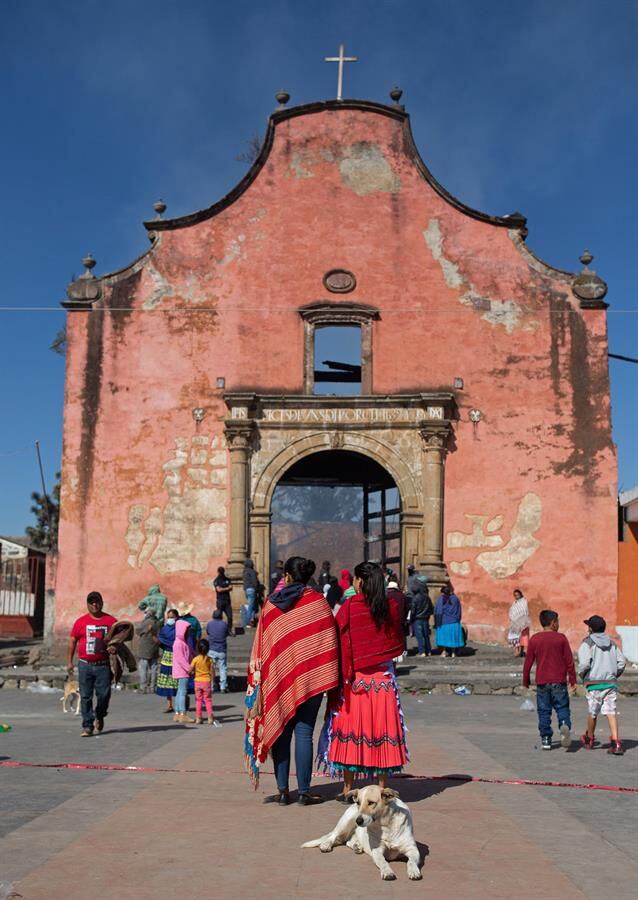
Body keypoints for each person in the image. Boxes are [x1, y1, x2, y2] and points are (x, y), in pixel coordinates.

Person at [244, 556, 339, 805]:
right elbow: (330, 640)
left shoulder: (271, 606)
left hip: (279, 678)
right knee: (304, 732)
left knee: (282, 733)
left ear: (285, 576)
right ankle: (305, 792)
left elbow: (263, 646)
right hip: (312, 677)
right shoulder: (319, 603)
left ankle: (284, 791)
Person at [324, 561, 408, 798]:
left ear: (360, 581)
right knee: (381, 731)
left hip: (356, 682)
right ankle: (381, 788)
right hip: (383, 681)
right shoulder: (390, 606)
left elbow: (338, 637)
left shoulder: (350, 607)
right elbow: (395, 641)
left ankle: (348, 788)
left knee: (352, 731)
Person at [522, 610, 576, 751]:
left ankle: (546, 739)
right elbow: (569, 662)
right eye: (557, 622)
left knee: (544, 711)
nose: (558, 624)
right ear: (553, 623)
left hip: (542, 682)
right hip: (559, 681)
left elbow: (528, 663)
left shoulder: (535, 639)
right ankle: (564, 725)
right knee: (562, 708)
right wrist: (573, 681)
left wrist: (526, 681)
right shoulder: (561, 638)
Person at [67, 592, 118, 737]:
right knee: (85, 696)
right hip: (85, 665)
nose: (94, 605)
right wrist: (69, 662)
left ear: (101, 603)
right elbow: (72, 641)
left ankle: (100, 715)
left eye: (97, 602)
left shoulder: (111, 621)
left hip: (103, 665)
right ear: (87, 604)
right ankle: (87, 725)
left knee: (104, 695)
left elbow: (120, 638)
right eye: (91, 602)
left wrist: (115, 647)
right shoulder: (80, 622)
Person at [577, 615, 626, 755]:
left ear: (590, 629)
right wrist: (613, 675)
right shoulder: (612, 643)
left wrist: (582, 675)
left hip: (593, 683)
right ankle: (616, 742)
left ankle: (590, 738)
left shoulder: (587, 643)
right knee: (611, 711)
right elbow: (621, 662)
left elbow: (584, 664)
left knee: (593, 712)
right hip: (610, 683)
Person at [189, 638, 218, 726]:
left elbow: (190, 670)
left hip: (197, 681)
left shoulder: (195, 659)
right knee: (208, 700)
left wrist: (191, 672)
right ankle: (210, 718)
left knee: (198, 700)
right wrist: (214, 681)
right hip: (207, 682)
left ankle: (198, 718)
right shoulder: (209, 659)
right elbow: (212, 672)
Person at [156, 608, 180, 713]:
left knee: (178, 680)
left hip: (177, 656)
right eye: (169, 617)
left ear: (177, 617)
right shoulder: (164, 629)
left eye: (172, 617)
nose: (170, 619)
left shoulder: (179, 629)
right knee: (167, 681)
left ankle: (180, 703)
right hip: (167, 656)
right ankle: (169, 704)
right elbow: (161, 641)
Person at [172, 619, 195, 724]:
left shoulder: (182, 642)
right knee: (183, 692)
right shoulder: (178, 643)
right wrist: (189, 668)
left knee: (179, 692)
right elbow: (181, 658)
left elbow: (190, 653)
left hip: (181, 670)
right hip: (182, 671)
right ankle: (183, 713)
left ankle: (177, 713)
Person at [434, 584, 463, 658]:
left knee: (444, 638)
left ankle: (444, 652)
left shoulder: (442, 599)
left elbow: (438, 611)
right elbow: (459, 610)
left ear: (443, 592)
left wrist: (437, 622)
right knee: (453, 638)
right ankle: (453, 653)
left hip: (444, 622)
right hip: (454, 622)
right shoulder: (456, 598)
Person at [136, 607, 160, 693]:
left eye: (145, 612)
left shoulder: (146, 622)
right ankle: (153, 687)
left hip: (144, 648)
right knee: (154, 668)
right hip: (154, 647)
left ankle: (143, 687)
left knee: (143, 668)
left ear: (148, 613)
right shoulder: (157, 622)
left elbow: (138, 631)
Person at [207, 608, 230, 692]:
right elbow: (227, 633)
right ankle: (223, 687)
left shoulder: (209, 624)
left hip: (211, 649)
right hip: (221, 649)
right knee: (222, 668)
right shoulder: (224, 624)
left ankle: (211, 686)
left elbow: (208, 633)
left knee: (210, 668)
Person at [410, 575, 433, 657]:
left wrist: (411, 619)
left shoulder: (415, 598)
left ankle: (422, 651)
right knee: (426, 635)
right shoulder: (427, 597)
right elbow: (431, 608)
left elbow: (413, 610)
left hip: (417, 619)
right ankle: (429, 651)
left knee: (420, 636)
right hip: (425, 618)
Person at [508, 589, 531, 657]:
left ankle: (521, 652)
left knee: (523, 637)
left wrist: (522, 619)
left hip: (523, 622)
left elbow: (524, 610)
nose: (516, 596)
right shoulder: (514, 603)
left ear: (520, 594)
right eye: (515, 595)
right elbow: (512, 611)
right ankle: (516, 651)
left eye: (518, 595)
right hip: (515, 622)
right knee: (513, 636)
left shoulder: (524, 601)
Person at [213, 566, 234, 633]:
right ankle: (220, 631)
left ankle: (229, 630)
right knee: (219, 617)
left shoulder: (227, 579)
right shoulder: (216, 580)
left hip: (227, 601)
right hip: (220, 601)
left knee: (230, 616)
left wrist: (223, 589)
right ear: (218, 572)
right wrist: (227, 588)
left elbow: (231, 587)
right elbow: (219, 590)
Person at [243, 559, 259, 627]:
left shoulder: (244, 572)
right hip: (252, 589)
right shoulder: (252, 571)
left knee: (252, 606)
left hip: (246, 590)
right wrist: (256, 589)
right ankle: (248, 622)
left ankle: (251, 621)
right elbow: (254, 581)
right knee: (250, 607)